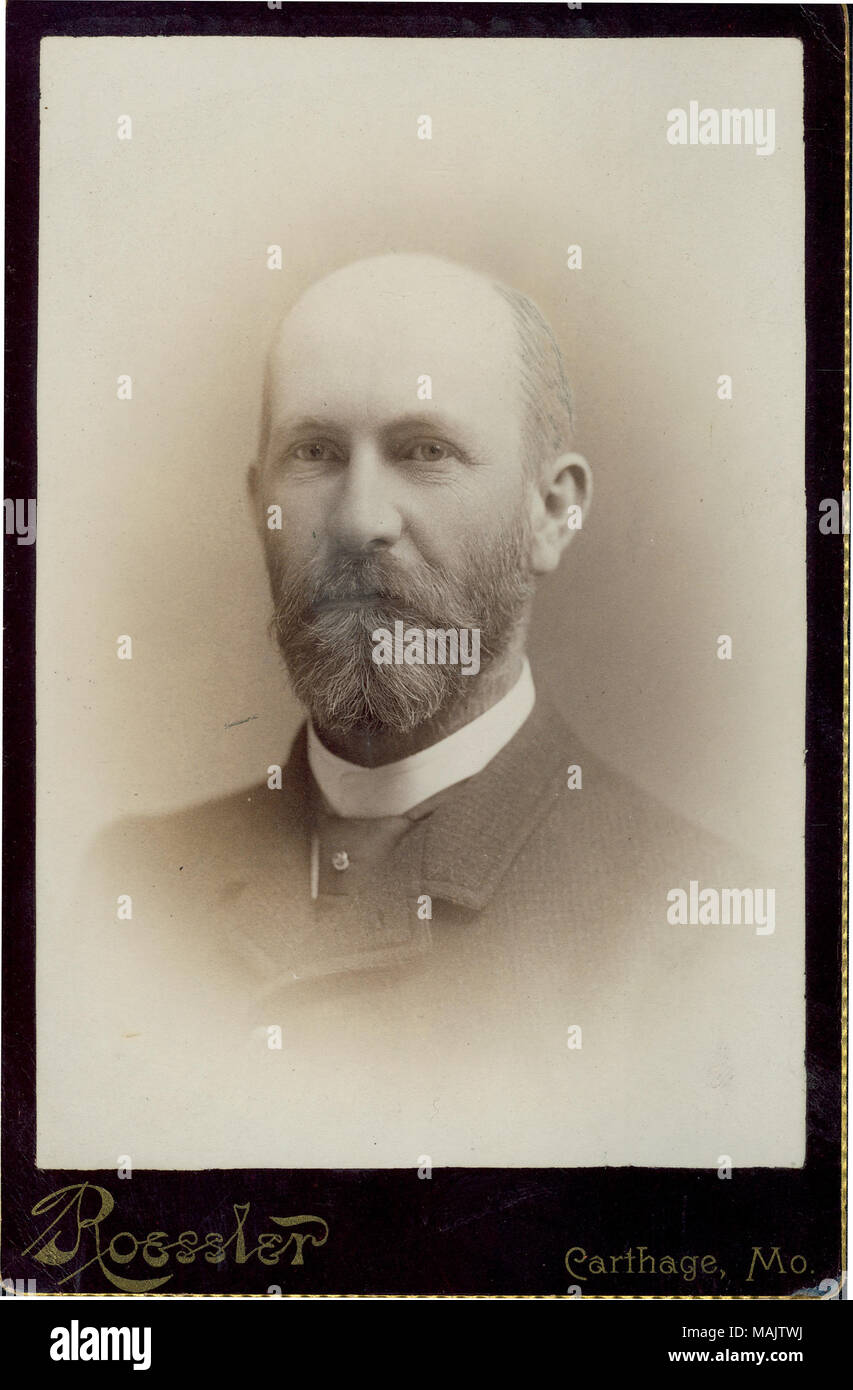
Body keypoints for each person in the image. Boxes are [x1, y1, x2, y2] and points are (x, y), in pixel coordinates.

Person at [69, 254, 803, 1168]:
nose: (357, 518)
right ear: (255, 499)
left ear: (551, 512)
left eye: (425, 451)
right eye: (314, 453)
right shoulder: (128, 891)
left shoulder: (703, 939)